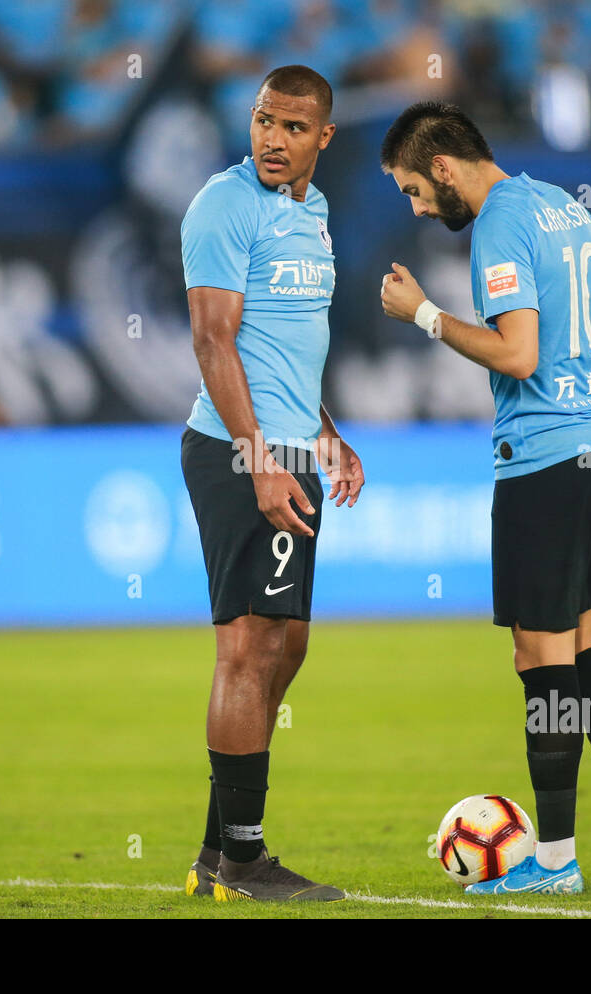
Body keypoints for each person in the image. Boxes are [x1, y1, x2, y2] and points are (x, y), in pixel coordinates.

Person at [378, 101, 591, 895]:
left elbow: (517, 351)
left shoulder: (501, 221)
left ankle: (554, 860)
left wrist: (426, 315)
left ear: (443, 168)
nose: (414, 206)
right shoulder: (564, 207)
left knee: (537, 658)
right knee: (580, 647)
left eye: (412, 189)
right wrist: (590, 418)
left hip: (544, 462)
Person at [180, 64, 364, 902]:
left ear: (324, 136)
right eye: (263, 121)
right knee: (247, 648)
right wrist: (257, 458)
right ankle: (245, 860)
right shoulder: (223, 205)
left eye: (294, 128)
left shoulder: (314, 214)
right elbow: (215, 343)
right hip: (235, 450)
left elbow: (288, 344)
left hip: (289, 447)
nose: (273, 141)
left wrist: (324, 432)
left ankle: (218, 849)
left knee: (286, 647)